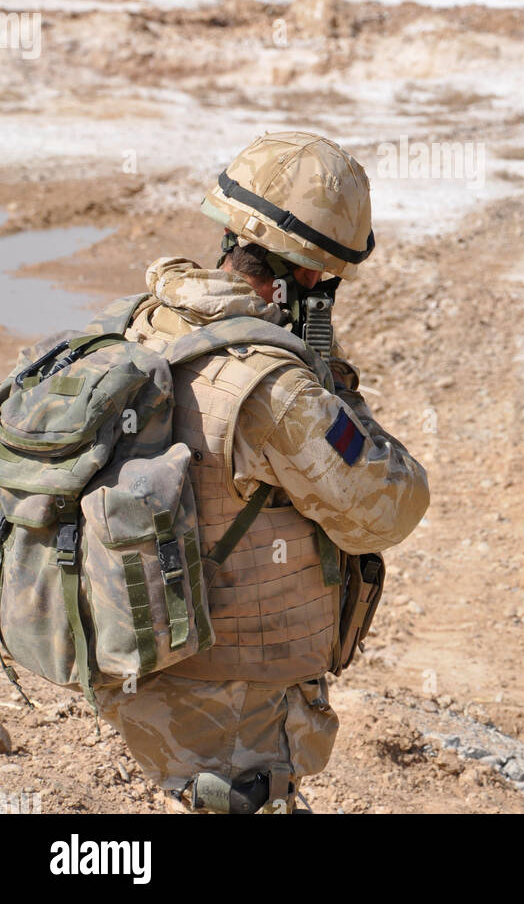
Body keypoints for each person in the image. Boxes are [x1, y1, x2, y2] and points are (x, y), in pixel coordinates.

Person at [94, 130, 430, 813]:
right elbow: (390, 506)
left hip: (140, 668)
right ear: (312, 276)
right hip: (234, 708)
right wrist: (331, 385)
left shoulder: (147, 321)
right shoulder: (277, 390)